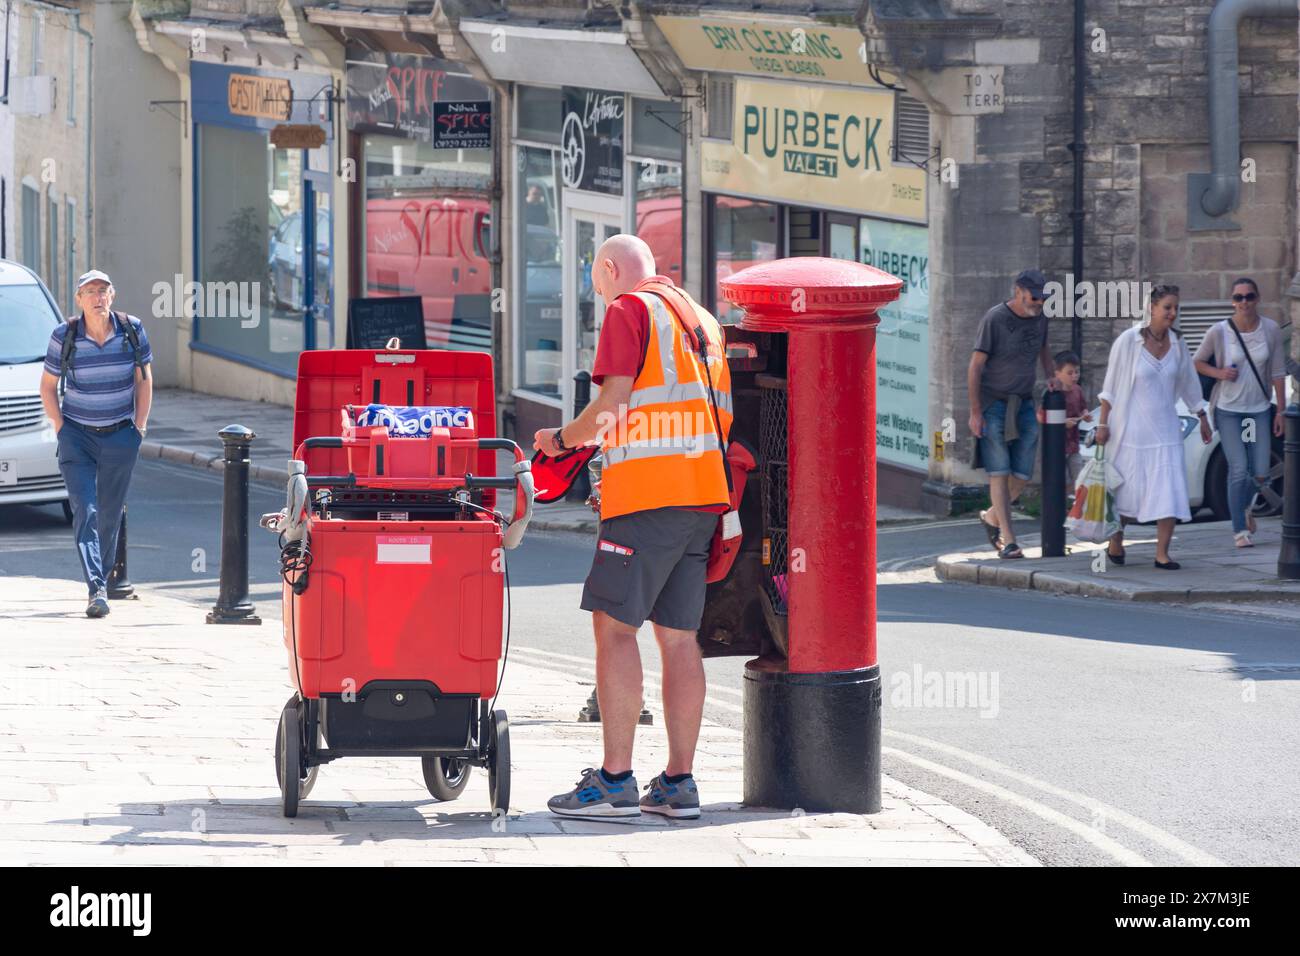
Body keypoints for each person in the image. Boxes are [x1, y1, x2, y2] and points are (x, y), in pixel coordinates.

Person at [533, 234, 731, 821]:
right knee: (679, 638)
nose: (601, 298)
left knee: (615, 631)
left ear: (610, 270)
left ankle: (615, 781)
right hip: (704, 499)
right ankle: (678, 783)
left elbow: (613, 406)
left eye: (598, 285)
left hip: (647, 497)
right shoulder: (701, 319)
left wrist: (561, 440)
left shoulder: (630, 310)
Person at [37, 271, 153, 617]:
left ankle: (98, 582)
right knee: (84, 511)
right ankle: (97, 588)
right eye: (90, 292)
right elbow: (47, 386)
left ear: (112, 296)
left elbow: (144, 381)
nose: (97, 297)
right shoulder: (65, 335)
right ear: (79, 299)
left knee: (109, 513)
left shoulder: (131, 330)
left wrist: (139, 427)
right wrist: (60, 427)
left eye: (103, 291)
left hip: (120, 434)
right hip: (78, 437)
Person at [1095, 284, 1211, 569]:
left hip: (1166, 429)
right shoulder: (1128, 341)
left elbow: (1188, 383)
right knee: (1125, 491)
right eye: (1167, 307)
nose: (1172, 313)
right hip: (1131, 430)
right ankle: (1116, 542)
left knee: (1169, 489)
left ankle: (1162, 553)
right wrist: (1102, 424)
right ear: (1152, 308)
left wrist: (1203, 416)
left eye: (1175, 308)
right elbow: (1110, 385)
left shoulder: (1179, 343)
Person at [967, 269, 1059, 559]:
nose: (1039, 303)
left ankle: (992, 517)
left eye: (1043, 298)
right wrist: (975, 412)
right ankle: (1009, 541)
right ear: (1018, 291)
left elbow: (1044, 348)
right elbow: (975, 367)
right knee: (999, 471)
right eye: (1034, 297)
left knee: (1021, 476)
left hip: (1024, 402)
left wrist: (1050, 374)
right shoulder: (995, 319)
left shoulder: (1041, 317)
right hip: (993, 403)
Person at [1193, 277, 1287, 548]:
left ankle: (1245, 507)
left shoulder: (1270, 329)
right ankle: (1239, 532)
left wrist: (1280, 411)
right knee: (1238, 468)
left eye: (1248, 296)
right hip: (1229, 409)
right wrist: (1219, 372)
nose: (1243, 302)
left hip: (1257, 410)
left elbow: (1278, 372)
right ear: (1232, 301)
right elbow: (1197, 362)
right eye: (1238, 297)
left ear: (1257, 299)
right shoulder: (1219, 331)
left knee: (1259, 472)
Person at [1037, 350, 1092, 496]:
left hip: (1073, 446)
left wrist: (1085, 415)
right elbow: (1040, 417)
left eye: (1077, 372)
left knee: (1081, 479)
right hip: (1056, 447)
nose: (1074, 376)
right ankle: (1062, 506)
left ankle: (1075, 509)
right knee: (1061, 481)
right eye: (1070, 373)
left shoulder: (1078, 390)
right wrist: (1062, 423)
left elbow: (1083, 408)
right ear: (1057, 374)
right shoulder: (1052, 394)